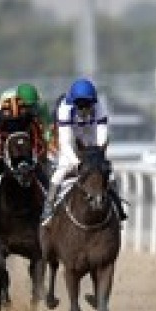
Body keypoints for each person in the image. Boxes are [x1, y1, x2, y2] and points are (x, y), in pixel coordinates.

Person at [41, 78, 125, 224]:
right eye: (80, 105)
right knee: (60, 172)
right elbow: (65, 142)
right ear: (73, 103)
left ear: (94, 102)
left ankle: (118, 208)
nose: (84, 108)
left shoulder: (100, 108)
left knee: (108, 173)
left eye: (87, 104)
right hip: (71, 140)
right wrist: (77, 162)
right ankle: (48, 208)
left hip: (91, 137)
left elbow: (101, 139)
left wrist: (96, 157)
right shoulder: (64, 109)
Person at [0, 83, 49, 210]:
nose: (30, 109)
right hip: (5, 156)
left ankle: (50, 203)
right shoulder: (2, 113)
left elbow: (38, 138)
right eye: (28, 106)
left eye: (32, 106)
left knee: (43, 178)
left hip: (28, 157)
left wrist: (38, 153)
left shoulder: (33, 117)